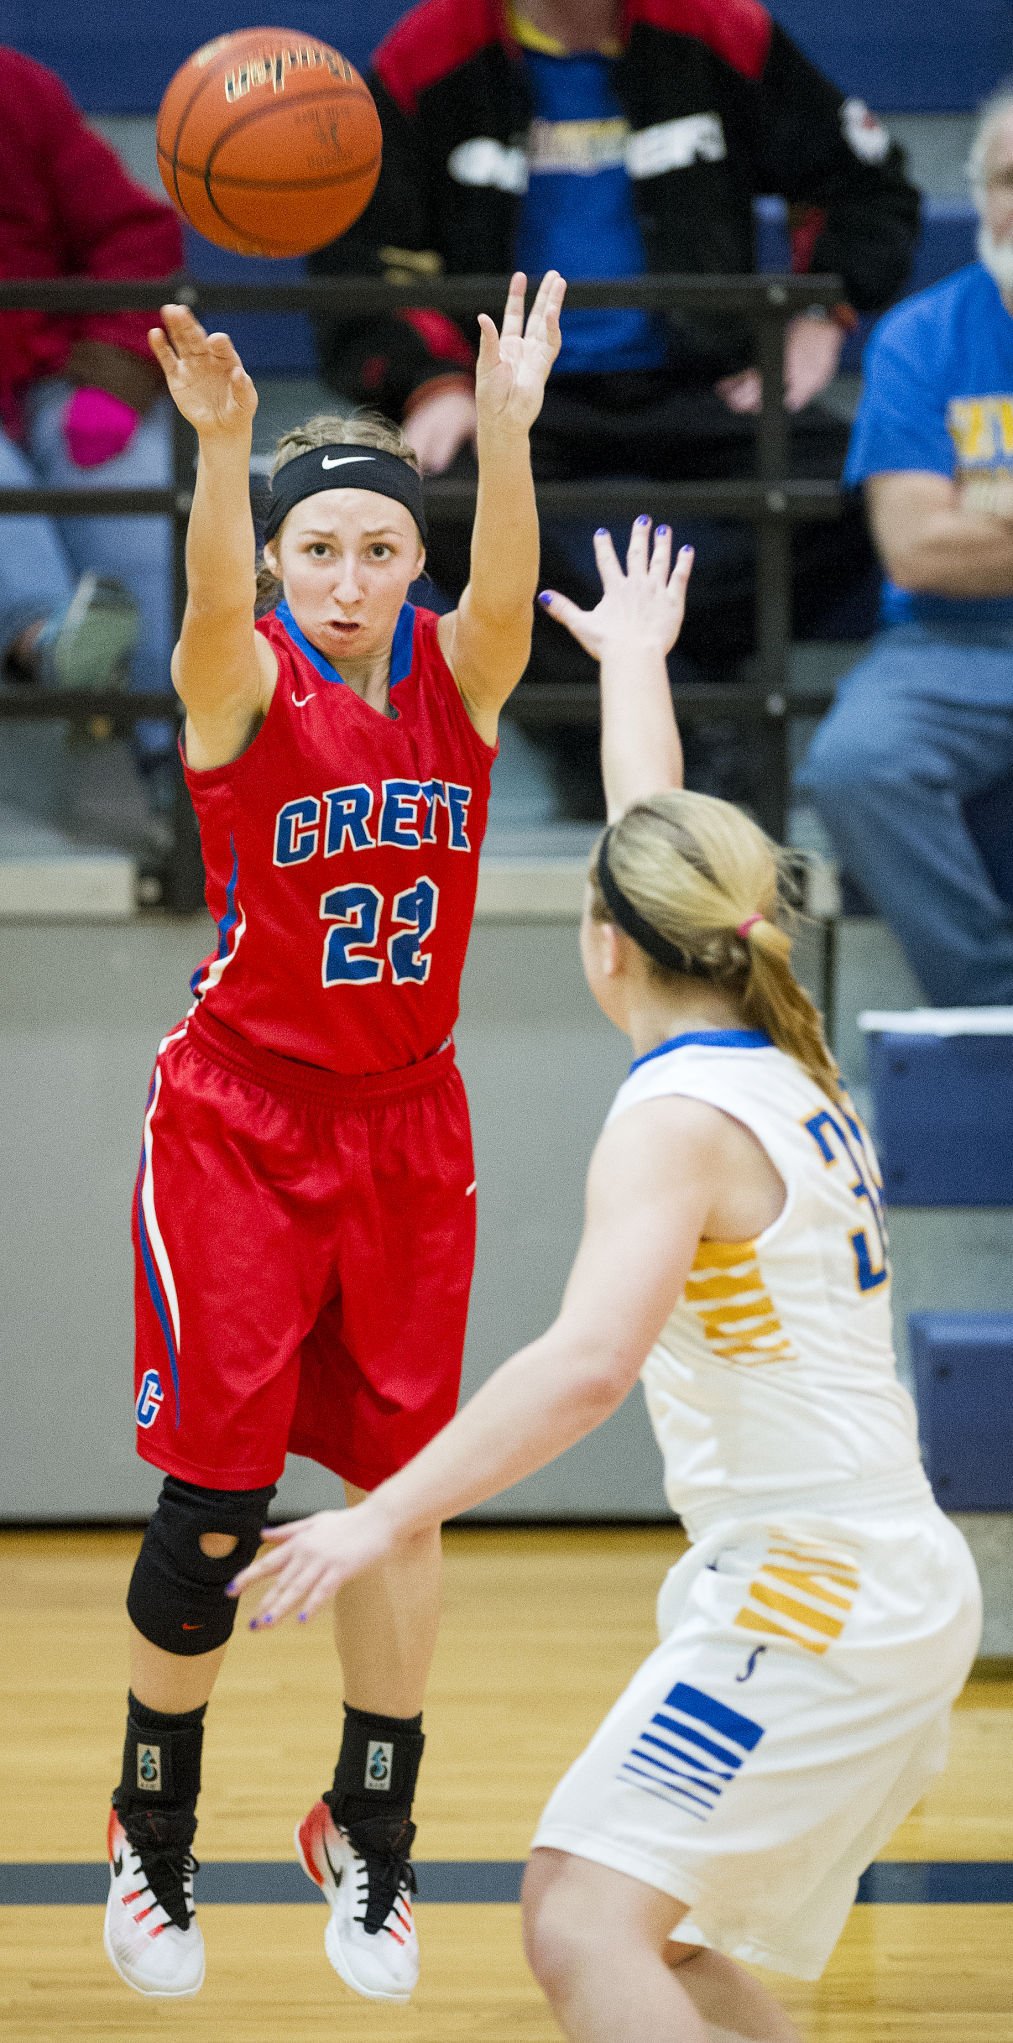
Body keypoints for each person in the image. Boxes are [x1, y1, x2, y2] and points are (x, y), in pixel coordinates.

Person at [231, 520, 981, 2041]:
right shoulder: (770, 1047)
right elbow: (657, 841)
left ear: (605, 943)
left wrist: (381, 1511)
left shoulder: (678, 1117)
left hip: (815, 1592)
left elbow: (584, 1365)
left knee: (582, 1918)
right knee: (655, 1938)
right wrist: (634, 662)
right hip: (865, 1577)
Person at [103, 269, 565, 2005]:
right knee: (219, 1497)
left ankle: (370, 1821)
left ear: (413, 564)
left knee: (401, 1492)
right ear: (282, 567)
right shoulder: (236, 683)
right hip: (240, 1118)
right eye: (322, 553)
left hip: (404, 1126)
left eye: (380, 550)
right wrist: (225, 454)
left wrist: (506, 435)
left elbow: (506, 586)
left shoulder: (461, 675)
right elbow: (209, 600)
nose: (352, 580)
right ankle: (151, 1824)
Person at [308, 0, 919, 817]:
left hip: (701, 385)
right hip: (513, 397)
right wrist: (436, 383)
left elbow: (868, 185)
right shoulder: (430, 50)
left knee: (866, 482)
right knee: (414, 505)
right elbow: (355, 254)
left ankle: (650, 673)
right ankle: (662, 720)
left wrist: (818, 310)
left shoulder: (721, 29)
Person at [800, 86, 1013, 1005]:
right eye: (1005, 180)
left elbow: (951, 528)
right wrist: (955, 532)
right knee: (856, 764)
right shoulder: (921, 336)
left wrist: (985, 513)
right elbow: (919, 551)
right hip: (948, 645)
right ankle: (989, 1012)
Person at [0, 48, 182, 806]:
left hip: (52, 369)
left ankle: (187, 776)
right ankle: (49, 644)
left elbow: (136, 237)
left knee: (137, 502)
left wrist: (113, 372)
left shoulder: (17, 89)